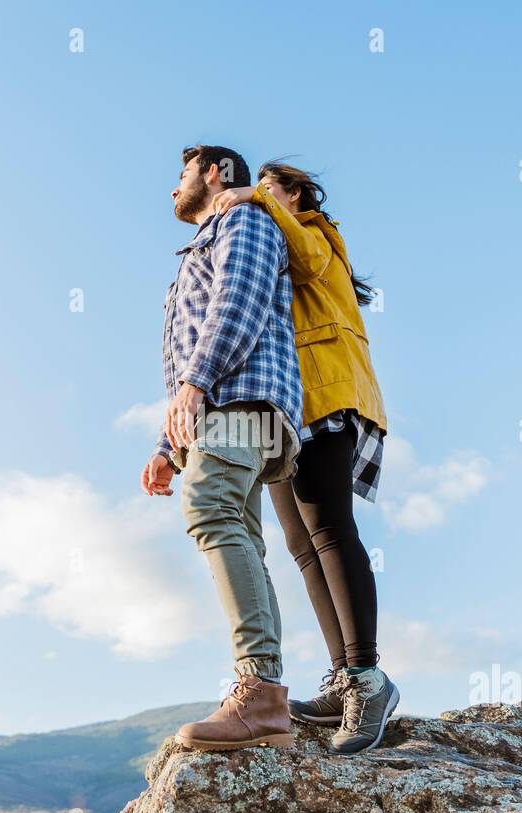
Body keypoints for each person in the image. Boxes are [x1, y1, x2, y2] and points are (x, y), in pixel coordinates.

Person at [211, 162, 398, 753]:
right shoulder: (276, 242)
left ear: (295, 194)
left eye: (271, 190)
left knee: (329, 529)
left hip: (328, 396)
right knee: (300, 544)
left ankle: (368, 676)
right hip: (288, 405)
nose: (259, 199)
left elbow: (310, 261)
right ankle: (344, 676)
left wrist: (255, 199)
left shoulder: (317, 234)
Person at [140, 145, 302, 751]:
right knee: (238, 529)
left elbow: (240, 303)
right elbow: (184, 350)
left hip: (244, 398)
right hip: (220, 407)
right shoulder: (197, 250)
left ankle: (259, 691)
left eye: (181, 174)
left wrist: (197, 384)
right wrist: (168, 441)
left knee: (208, 508)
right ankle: (264, 703)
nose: (172, 189)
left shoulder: (245, 220)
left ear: (213, 173)